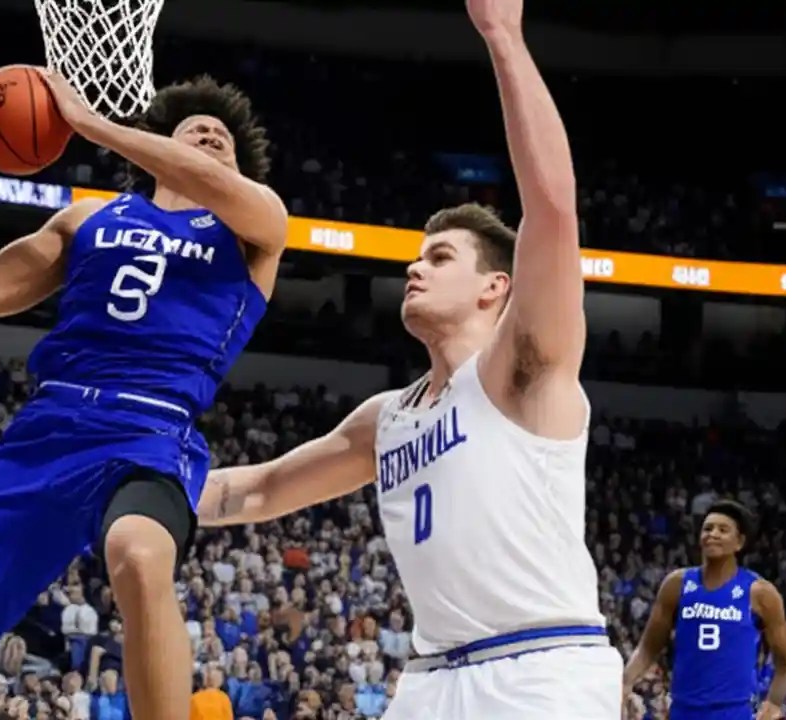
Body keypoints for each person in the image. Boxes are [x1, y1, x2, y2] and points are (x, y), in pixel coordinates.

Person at [195, 0, 622, 717]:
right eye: (416, 259)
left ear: (496, 287)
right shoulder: (386, 418)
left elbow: (551, 206)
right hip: (429, 680)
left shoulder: (523, 367)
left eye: (440, 257)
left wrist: (505, 38)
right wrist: (132, 490)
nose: (415, 271)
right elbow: (263, 491)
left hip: (541, 668)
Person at [0, 70, 287, 720]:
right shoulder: (89, 217)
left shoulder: (253, 229)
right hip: (48, 429)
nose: (212, 137)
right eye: (196, 131)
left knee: (136, 554)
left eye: (222, 140)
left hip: (151, 429)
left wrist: (85, 122)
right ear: (161, 145)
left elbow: (221, 187)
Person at [623, 500, 786, 720]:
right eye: (707, 528)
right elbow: (648, 647)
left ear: (739, 542)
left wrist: (773, 703)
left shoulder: (760, 592)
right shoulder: (676, 584)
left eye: (723, 530)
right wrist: (625, 682)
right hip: (683, 710)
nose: (712, 534)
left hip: (734, 711)